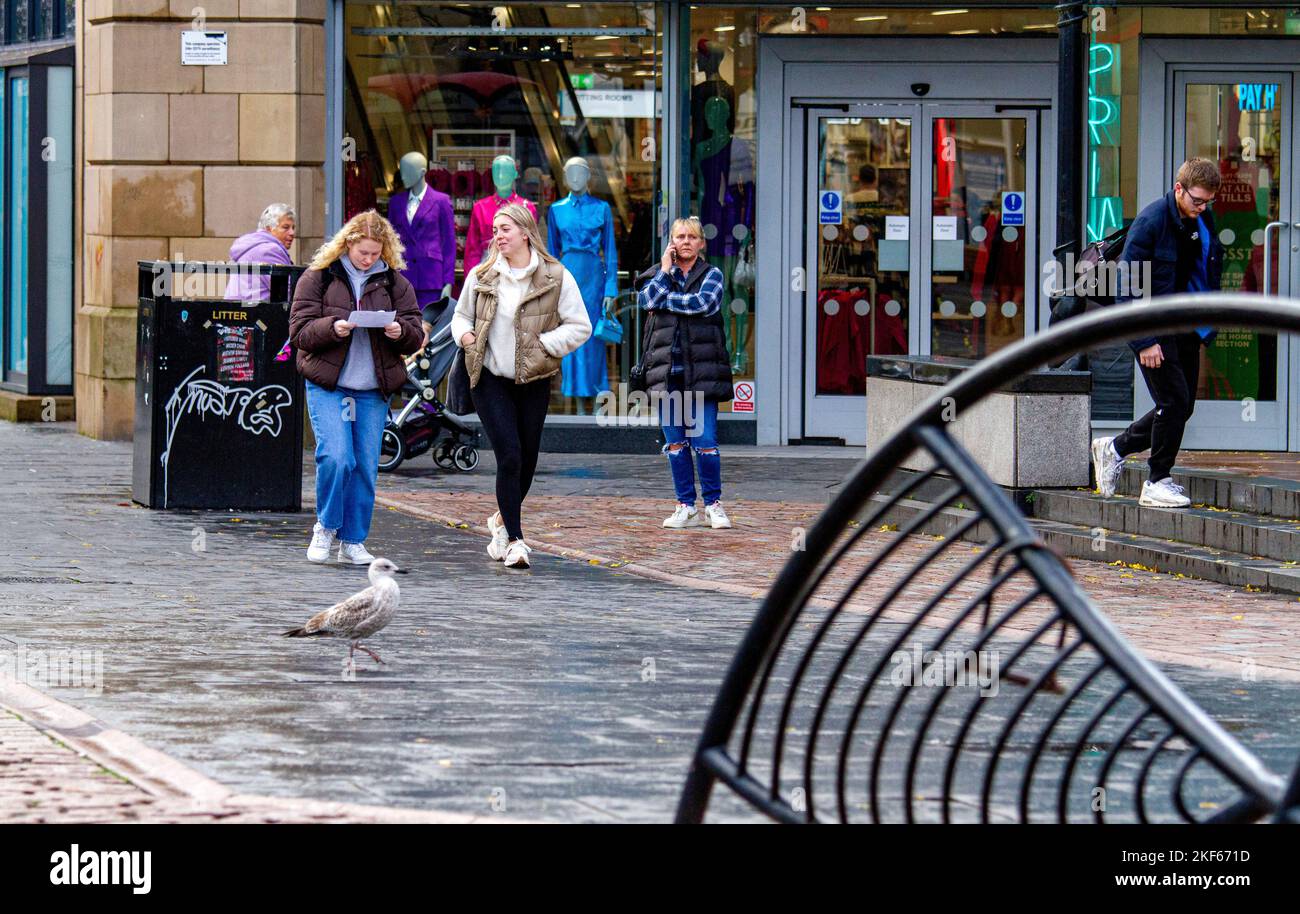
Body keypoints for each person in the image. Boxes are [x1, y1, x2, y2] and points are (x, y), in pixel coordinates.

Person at [452, 204, 592, 569]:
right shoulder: (482, 274)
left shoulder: (555, 276)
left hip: (533, 379)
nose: (498, 235)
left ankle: (500, 520)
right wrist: (467, 337)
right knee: (509, 455)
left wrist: (545, 346)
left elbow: (580, 326)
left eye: (505, 229)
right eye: (495, 230)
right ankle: (515, 540)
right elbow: (460, 315)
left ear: (525, 233)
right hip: (489, 378)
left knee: (527, 460)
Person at [290, 211, 424, 564]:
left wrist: (400, 332)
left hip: (372, 388)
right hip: (328, 383)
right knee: (336, 456)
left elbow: (415, 331)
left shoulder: (396, 284)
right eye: (364, 252)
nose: (369, 259)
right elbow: (299, 333)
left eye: (376, 253)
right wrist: (333, 328)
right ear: (347, 244)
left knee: (365, 464)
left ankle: (353, 540)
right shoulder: (318, 278)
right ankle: (326, 526)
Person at [1091, 157, 1223, 508]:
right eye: (1196, 200)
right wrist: (1145, 340)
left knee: (1183, 406)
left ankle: (1115, 448)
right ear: (1178, 189)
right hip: (1153, 328)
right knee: (1173, 402)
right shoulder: (1151, 222)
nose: (1202, 207)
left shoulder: (1201, 218)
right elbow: (1127, 286)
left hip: (1186, 325)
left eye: (1208, 201)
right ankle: (1156, 480)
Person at [637, 216, 734, 530]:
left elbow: (703, 304)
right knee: (676, 445)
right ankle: (685, 505)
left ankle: (713, 505)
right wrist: (665, 271)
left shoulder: (713, 274)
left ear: (701, 243)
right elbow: (646, 300)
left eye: (692, 237)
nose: (686, 242)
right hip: (667, 375)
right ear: (672, 243)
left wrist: (666, 301)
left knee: (706, 442)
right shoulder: (659, 274)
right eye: (680, 237)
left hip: (702, 375)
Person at [224, 203, 296, 301]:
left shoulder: (252, 245)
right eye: (285, 227)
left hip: (238, 311)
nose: (292, 233)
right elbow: (285, 293)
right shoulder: (269, 250)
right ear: (268, 228)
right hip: (257, 312)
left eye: (293, 228)